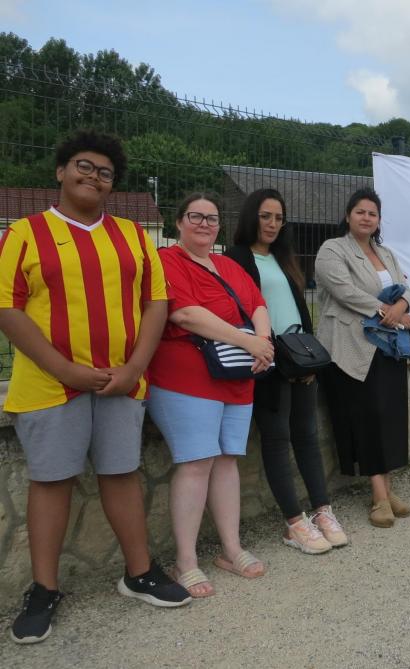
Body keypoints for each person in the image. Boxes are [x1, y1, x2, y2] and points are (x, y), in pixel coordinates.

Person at [0, 130, 191, 643]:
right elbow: (8, 308)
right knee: (52, 482)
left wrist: (133, 369)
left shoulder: (132, 235)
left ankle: (139, 572)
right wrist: (65, 369)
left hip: (120, 382)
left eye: (105, 172)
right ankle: (43, 590)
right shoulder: (25, 233)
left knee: (121, 474)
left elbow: (157, 303)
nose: (93, 176)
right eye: (83, 166)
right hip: (49, 385)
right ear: (60, 172)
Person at [147, 193, 272, 598]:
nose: (204, 224)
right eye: (195, 216)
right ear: (178, 222)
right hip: (187, 378)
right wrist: (247, 342)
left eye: (212, 218)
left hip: (236, 376)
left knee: (226, 462)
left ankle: (231, 549)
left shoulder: (228, 265)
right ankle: (186, 560)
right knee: (196, 463)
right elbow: (184, 313)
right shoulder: (168, 261)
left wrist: (264, 342)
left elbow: (257, 304)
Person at [227, 188, 347, 554]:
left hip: (299, 358)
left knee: (307, 436)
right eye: (266, 216)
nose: (273, 224)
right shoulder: (236, 258)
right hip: (267, 362)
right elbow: (238, 312)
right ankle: (294, 522)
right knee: (277, 440)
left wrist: (309, 355)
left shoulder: (284, 258)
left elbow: (298, 310)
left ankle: (322, 510)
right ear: (252, 217)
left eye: (279, 218)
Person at [315, 186, 410, 528]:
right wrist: (389, 311)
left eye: (372, 213)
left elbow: (406, 287)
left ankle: (387, 488)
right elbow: (344, 291)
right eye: (360, 211)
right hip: (351, 345)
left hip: (387, 345)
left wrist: (400, 308)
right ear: (348, 215)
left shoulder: (385, 253)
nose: (367, 218)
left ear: (378, 220)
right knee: (367, 416)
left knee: (388, 416)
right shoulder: (332, 249)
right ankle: (378, 496)